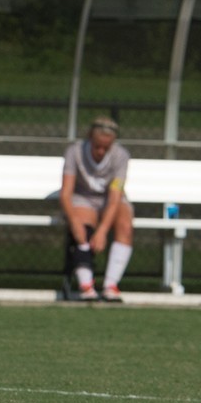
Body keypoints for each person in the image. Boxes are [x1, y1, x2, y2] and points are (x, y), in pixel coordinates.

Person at [59, 116, 133, 302]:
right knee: (81, 227)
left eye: (105, 148)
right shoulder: (74, 152)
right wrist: (74, 222)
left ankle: (111, 285)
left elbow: (115, 197)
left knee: (125, 222)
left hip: (110, 200)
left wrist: (102, 231)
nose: (100, 151)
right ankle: (86, 285)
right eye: (97, 146)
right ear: (90, 138)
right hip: (83, 197)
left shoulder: (121, 155)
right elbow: (66, 193)